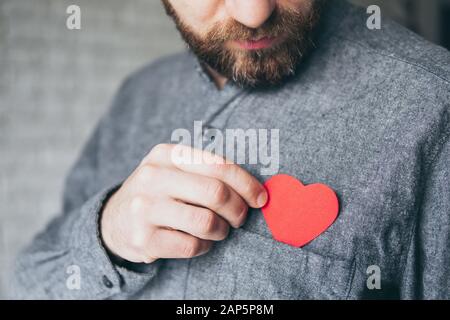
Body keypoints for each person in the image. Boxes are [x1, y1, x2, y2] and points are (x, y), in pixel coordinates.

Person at [12, 0, 450, 299]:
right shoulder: (136, 97)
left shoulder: (433, 105)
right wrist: (109, 237)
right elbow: (27, 283)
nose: (254, 12)